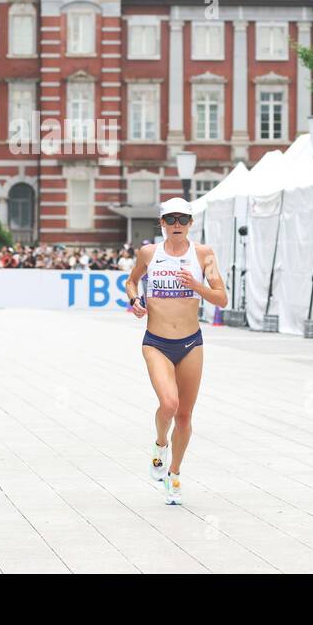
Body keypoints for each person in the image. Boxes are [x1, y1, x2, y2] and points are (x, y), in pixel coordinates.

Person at [125, 197, 227, 505]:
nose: (177, 225)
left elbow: (221, 299)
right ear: (162, 224)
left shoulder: (204, 254)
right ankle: (159, 445)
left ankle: (174, 474)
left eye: (183, 219)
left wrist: (196, 286)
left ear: (191, 223)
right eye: (171, 220)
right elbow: (132, 282)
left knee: (184, 416)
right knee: (168, 404)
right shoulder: (148, 253)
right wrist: (135, 301)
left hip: (190, 342)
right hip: (156, 342)